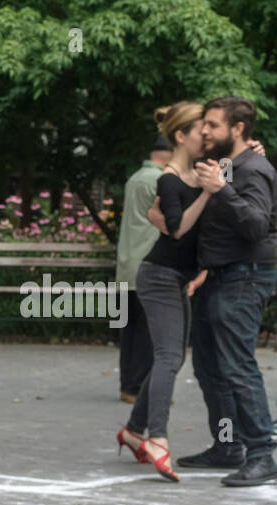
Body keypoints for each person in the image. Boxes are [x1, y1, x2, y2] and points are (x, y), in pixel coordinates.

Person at [173, 97, 277, 486]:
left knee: (236, 366)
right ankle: (228, 445)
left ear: (237, 129)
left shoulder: (255, 169)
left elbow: (255, 226)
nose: (205, 131)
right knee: (209, 367)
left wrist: (222, 190)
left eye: (213, 125)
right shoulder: (231, 164)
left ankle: (263, 454)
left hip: (244, 277)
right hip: (217, 276)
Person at [116, 104, 210, 482]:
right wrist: (206, 194)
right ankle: (157, 438)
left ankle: (133, 431)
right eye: (201, 129)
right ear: (180, 136)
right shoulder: (170, 179)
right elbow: (176, 230)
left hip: (178, 277)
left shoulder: (199, 171)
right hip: (158, 276)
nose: (207, 136)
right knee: (169, 357)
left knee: (170, 359)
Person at [114, 135, 172, 403]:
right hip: (147, 264)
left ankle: (129, 386)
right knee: (150, 333)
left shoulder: (136, 177)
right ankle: (144, 389)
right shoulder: (158, 180)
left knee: (131, 333)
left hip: (128, 265)